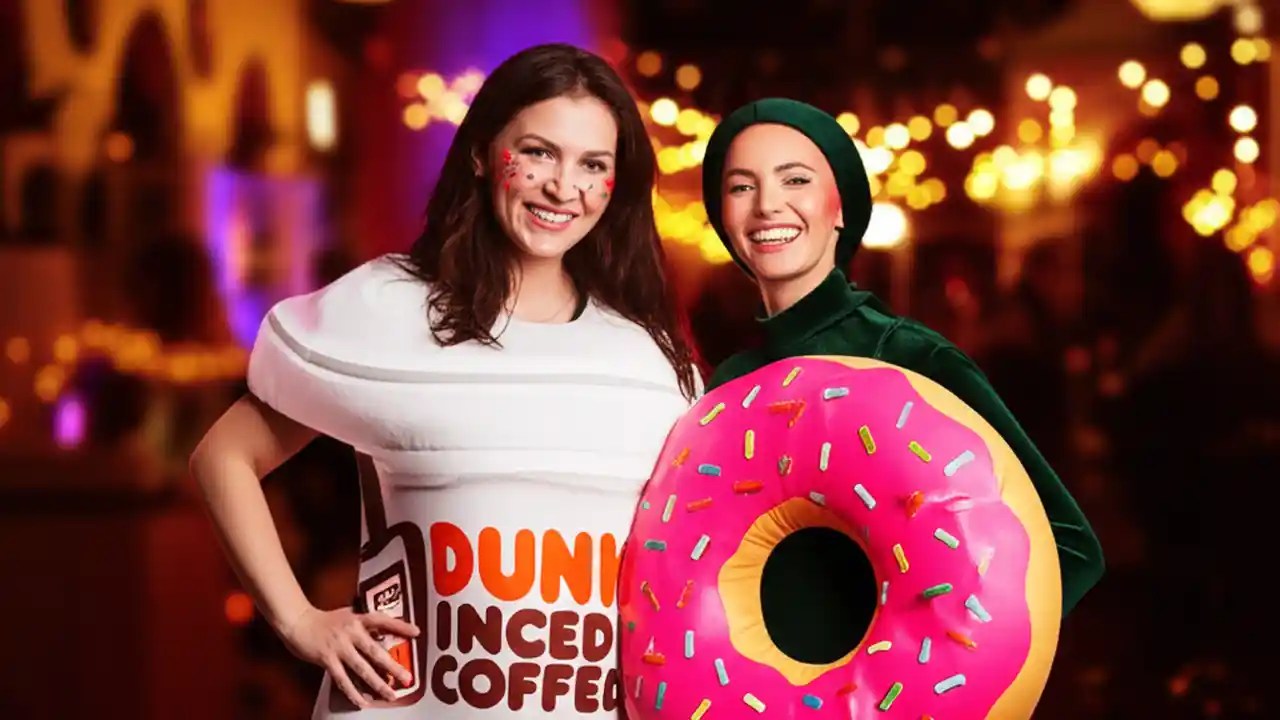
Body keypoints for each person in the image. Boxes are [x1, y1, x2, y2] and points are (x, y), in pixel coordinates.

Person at [190, 43, 700, 719]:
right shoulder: (388, 310)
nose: (562, 187)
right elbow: (223, 455)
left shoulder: (647, 362)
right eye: (540, 152)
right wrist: (299, 620)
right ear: (484, 155)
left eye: (593, 165)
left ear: (615, 185)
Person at [698, 98, 1103, 640]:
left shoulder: (912, 359)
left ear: (839, 207)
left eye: (795, 180)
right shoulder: (727, 387)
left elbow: (1066, 545)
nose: (767, 204)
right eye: (741, 186)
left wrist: (958, 676)